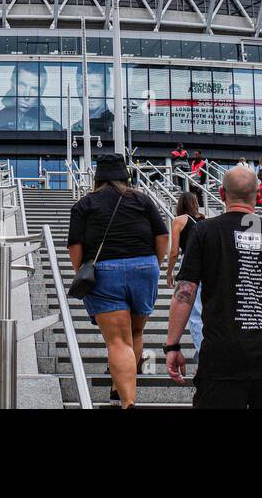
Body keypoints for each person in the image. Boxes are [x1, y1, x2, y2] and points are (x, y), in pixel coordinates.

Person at [164, 165, 262, 409]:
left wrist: (173, 345)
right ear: (259, 195)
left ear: (221, 193)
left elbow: (185, 293)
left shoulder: (203, 232)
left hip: (222, 356)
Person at [67, 154, 169, 409]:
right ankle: (118, 385)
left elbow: (75, 245)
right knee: (135, 332)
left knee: (117, 341)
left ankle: (127, 400)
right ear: (125, 175)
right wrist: (154, 265)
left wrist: (81, 271)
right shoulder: (142, 199)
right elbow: (162, 235)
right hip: (144, 267)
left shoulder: (84, 204)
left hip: (104, 272)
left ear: (97, 178)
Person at [164, 191, 205, 362]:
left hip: (190, 266)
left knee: (195, 313)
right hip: (208, 267)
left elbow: (174, 252)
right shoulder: (205, 218)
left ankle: (202, 352)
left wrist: (169, 272)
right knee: (206, 310)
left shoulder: (179, 221)